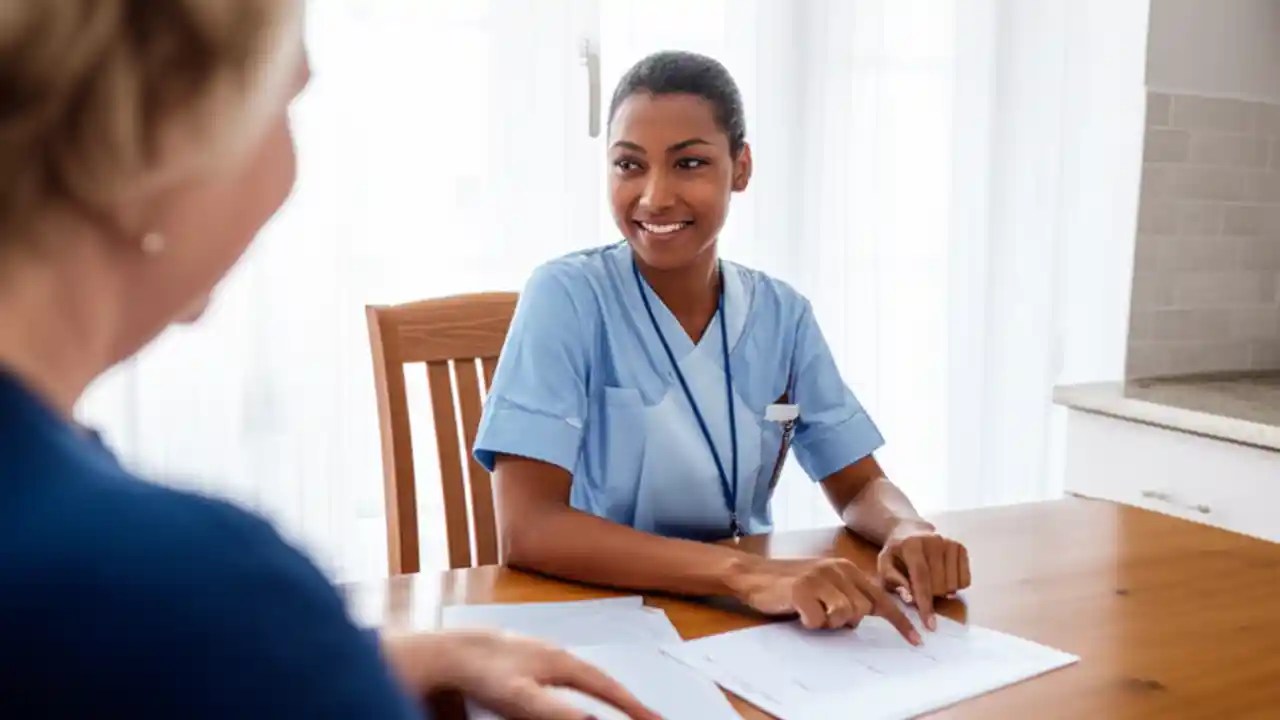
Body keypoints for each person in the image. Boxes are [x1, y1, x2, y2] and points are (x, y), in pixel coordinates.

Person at [0, 2, 658, 719]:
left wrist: (372, 656)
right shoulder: (189, 588)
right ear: (160, 141)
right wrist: (286, 649)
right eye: (284, 106)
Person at [476, 50, 972, 640]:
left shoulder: (781, 316)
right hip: (597, 618)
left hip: (742, 626)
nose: (655, 196)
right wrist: (744, 574)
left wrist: (907, 528)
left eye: (689, 163)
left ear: (741, 167)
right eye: (629, 165)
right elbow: (529, 529)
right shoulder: (567, 297)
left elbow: (859, 482)